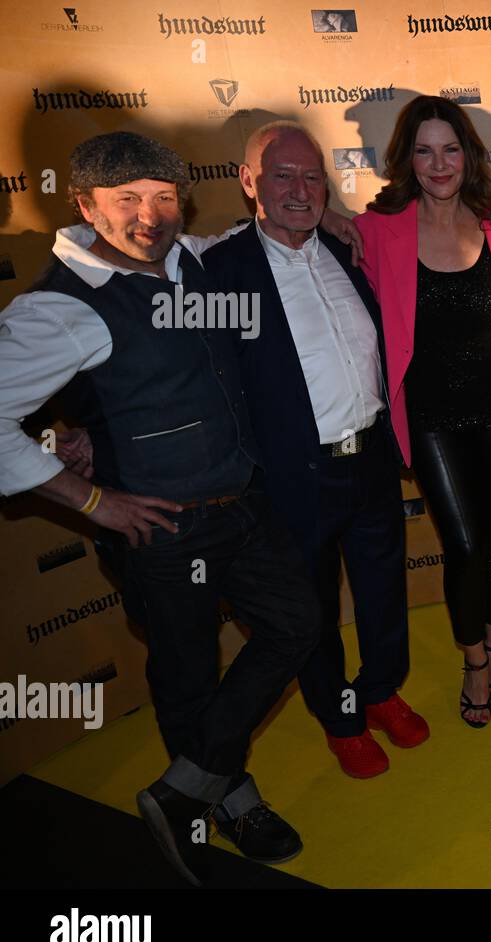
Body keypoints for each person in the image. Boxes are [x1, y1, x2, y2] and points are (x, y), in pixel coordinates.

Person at [0, 132, 321, 883]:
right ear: (83, 204)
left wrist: (324, 221)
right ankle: (227, 799)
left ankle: (185, 790)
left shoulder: (191, 259)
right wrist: (90, 500)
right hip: (163, 527)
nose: (151, 217)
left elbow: (251, 232)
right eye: (127, 201)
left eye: (165, 198)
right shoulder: (58, 307)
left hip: (241, 501)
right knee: (187, 676)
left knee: (299, 621)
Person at [201, 121, 423, 779]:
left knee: (384, 590)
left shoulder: (345, 246)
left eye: (312, 177)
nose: (300, 190)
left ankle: (382, 688)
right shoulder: (219, 271)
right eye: (282, 176)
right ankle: (342, 718)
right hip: (295, 477)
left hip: (373, 459)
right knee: (313, 611)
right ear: (248, 183)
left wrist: (345, 218)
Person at [354, 95, 491, 728]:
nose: (439, 163)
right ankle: (474, 664)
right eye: (424, 151)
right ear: (407, 159)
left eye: (450, 149)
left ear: (468, 155)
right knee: (461, 545)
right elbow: (301, 220)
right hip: (429, 416)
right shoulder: (377, 229)